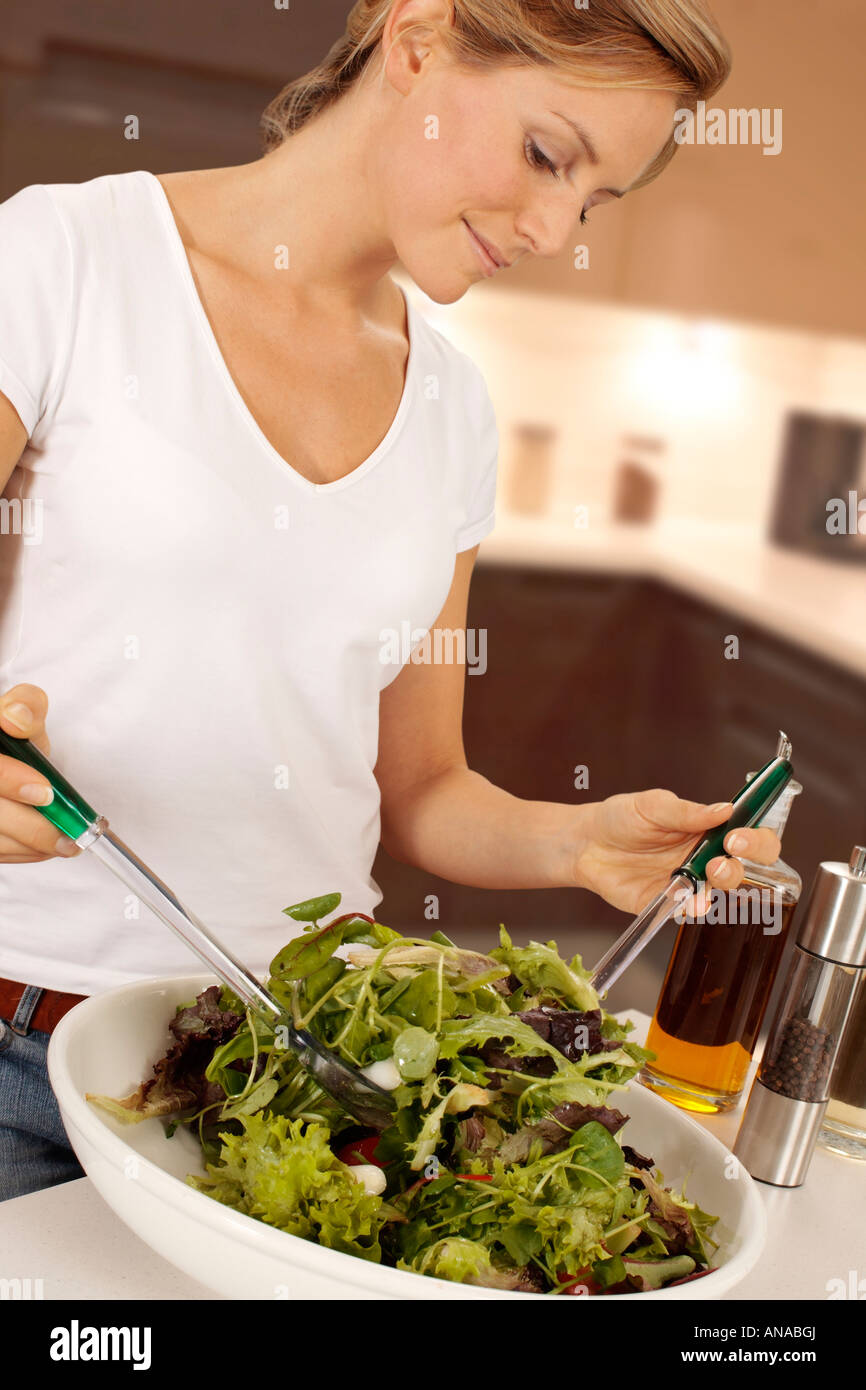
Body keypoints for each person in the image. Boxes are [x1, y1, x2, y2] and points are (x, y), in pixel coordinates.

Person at [0, 0, 779, 1202]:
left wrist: (578, 839)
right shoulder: (63, 260)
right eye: (543, 156)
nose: (551, 226)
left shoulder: (454, 414)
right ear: (414, 40)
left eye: (593, 202)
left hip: (299, 1079)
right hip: (24, 1055)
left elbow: (421, 791)